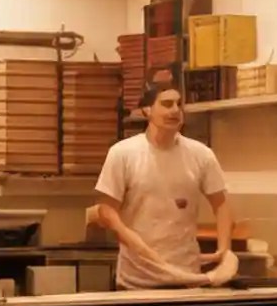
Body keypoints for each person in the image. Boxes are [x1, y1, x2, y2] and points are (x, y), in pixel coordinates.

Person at [93, 76, 236, 290]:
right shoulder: (123, 153)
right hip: (136, 281)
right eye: (167, 104)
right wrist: (137, 246)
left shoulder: (201, 154)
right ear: (146, 110)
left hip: (186, 278)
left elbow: (221, 203)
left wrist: (224, 249)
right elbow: (106, 210)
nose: (175, 110)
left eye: (179, 104)